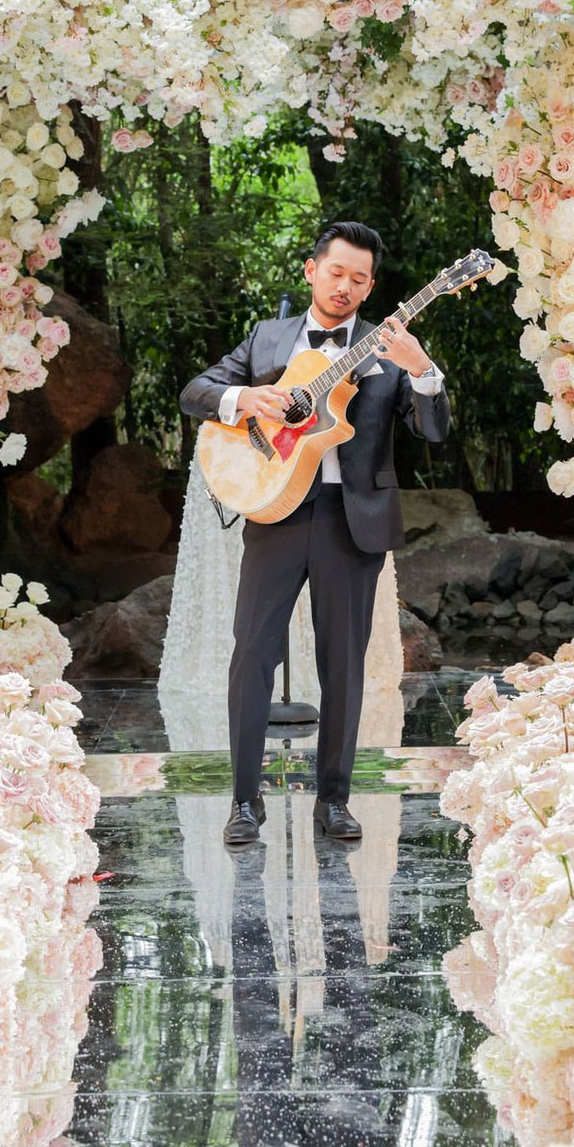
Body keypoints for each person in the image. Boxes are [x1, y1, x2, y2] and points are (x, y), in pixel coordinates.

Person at [180, 222, 450, 848]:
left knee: (343, 666)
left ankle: (334, 800)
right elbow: (198, 393)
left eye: (360, 279)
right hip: (275, 510)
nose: (346, 287)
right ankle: (244, 802)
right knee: (251, 657)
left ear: (372, 287)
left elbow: (433, 431)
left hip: (351, 520)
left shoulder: (389, 348)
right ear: (311, 270)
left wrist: (423, 370)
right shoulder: (268, 338)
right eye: (337, 272)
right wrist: (249, 398)